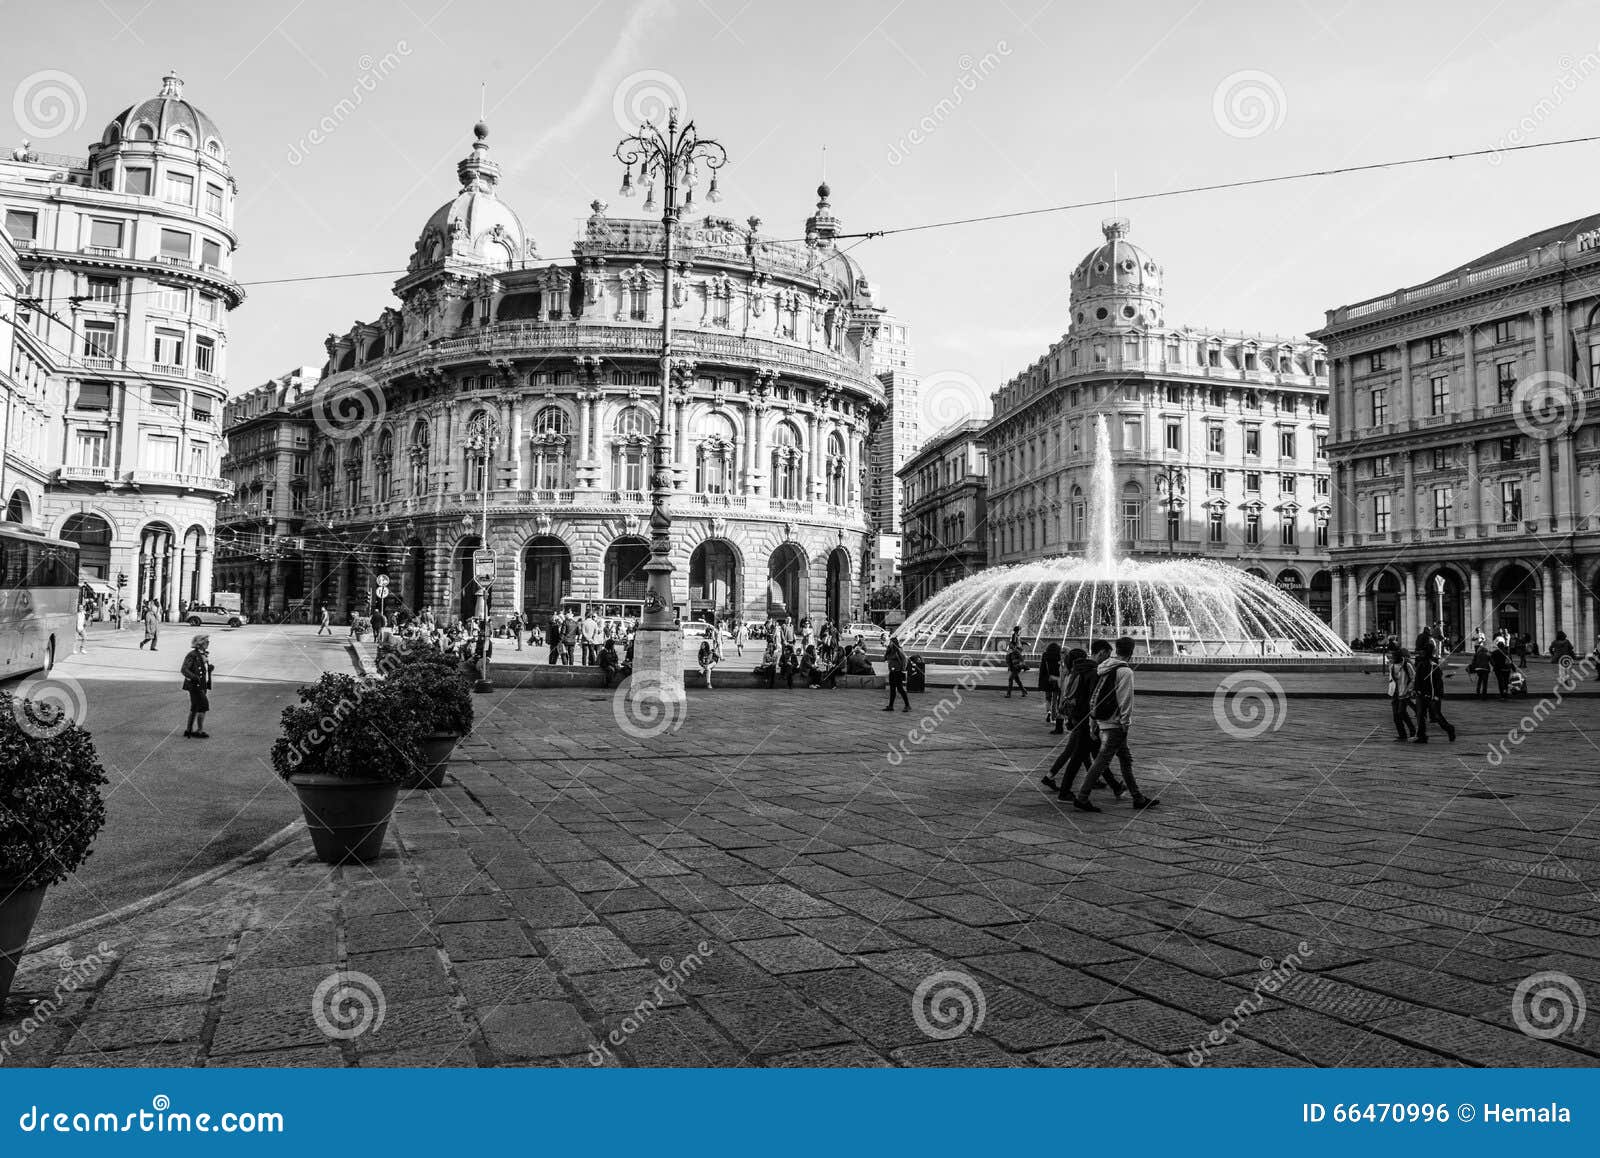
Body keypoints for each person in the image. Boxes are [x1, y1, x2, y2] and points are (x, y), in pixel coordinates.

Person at [1072, 636, 1158, 812]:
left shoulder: (1103, 666)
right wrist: (1125, 722)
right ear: (1131, 651)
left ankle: (1138, 797)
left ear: (1116, 649)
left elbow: (1094, 694)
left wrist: (1093, 720)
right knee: (1102, 761)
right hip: (1115, 723)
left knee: (1125, 759)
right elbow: (1125, 699)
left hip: (1102, 719)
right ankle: (1082, 797)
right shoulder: (1125, 671)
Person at [1042, 641, 1124, 800]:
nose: (1108, 658)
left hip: (1077, 719)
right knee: (1086, 756)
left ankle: (1113, 786)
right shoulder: (1091, 672)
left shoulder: (1075, 672)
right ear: (1101, 653)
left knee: (1088, 755)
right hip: (1085, 720)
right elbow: (1093, 699)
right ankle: (1070, 792)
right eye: (1107, 654)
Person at [1412, 638, 1456, 743]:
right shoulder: (1421, 665)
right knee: (1420, 715)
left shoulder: (1434, 666)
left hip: (1432, 695)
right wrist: (1416, 690)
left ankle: (1450, 729)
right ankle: (1421, 736)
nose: (1422, 654)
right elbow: (1417, 679)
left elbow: (1438, 683)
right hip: (1421, 694)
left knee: (1437, 716)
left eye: (1423, 652)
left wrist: (1437, 696)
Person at [180, 633, 214, 739]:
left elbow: (201, 668)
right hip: (195, 685)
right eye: (206, 642)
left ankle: (188, 730)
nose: (208, 643)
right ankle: (199, 731)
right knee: (203, 706)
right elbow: (184, 669)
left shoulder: (203, 654)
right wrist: (195, 678)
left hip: (202, 684)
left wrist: (209, 668)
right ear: (200, 643)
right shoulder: (192, 655)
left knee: (195, 707)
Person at [1387, 645, 1417, 740]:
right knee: (1396, 715)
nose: (1392, 658)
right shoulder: (1392, 666)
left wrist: (1409, 689)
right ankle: (1402, 735)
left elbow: (1413, 678)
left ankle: (1412, 731)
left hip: (1404, 692)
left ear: (1399, 656)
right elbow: (1392, 679)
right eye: (1392, 656)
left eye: (1394, 656)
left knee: (1401, 712)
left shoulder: (1406, 665)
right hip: (1395, 692)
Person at [883, 635, 910, 712]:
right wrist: (887, 650)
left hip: (898, 671)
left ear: (894, 643)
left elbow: (905, 659)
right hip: (892, 671)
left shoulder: (898, 650)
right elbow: (884, 658)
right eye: (890, 642)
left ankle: (907, 705)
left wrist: (903, 669)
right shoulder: (890, 651)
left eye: (891, 642)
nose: (890, 644)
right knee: (892, 689)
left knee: (900, 688)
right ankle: (890, 706)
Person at [1039, 642, 1063, 731]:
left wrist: (1041, 681)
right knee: (1055, 699)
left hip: (1047, 678)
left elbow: (1042, 668)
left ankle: (1048, 712)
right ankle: (1053, 716)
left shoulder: (1045, 655)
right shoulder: (1059, 655)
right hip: (1056, 679)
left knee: (1048, 698)